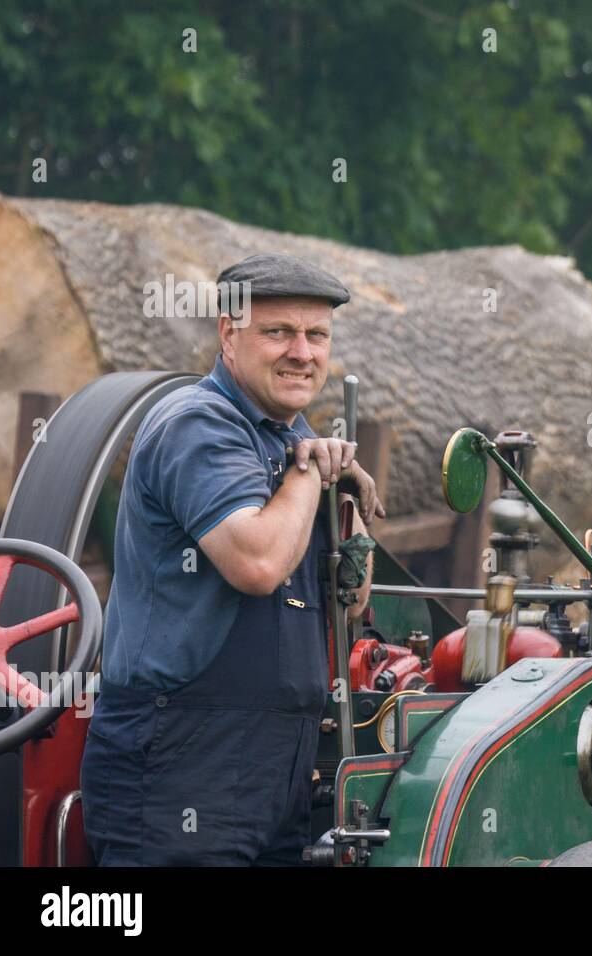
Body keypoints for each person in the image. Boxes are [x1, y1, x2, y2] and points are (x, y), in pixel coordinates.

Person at [80, 252, 384, 865]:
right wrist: (309, 471)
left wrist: (347, 518)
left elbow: (351, 606)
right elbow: (259, 566)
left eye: (316, 335)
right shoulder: (198, 424)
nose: (302, 351)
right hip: (183, 769)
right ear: (229, 334)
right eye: (278, 332)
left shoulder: (289, 439)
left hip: (279, 769)